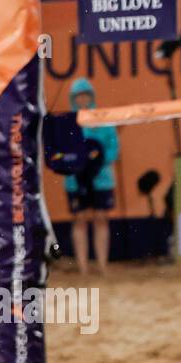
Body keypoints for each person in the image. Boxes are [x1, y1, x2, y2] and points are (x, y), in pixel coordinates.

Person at [64, 78, 119, 276]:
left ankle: (103, 265)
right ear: (73, 98)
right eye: (78, 96)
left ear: (92, 96)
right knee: (80, 219)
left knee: (101, 219)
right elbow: (61, 154)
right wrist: (77, 165)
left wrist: (96, 163)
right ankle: (83, 267)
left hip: (101, 178)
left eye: (86, 94)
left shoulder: (103, 119)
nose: (83, 99)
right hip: (75, 180)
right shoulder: (68, 122)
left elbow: (113, 148)